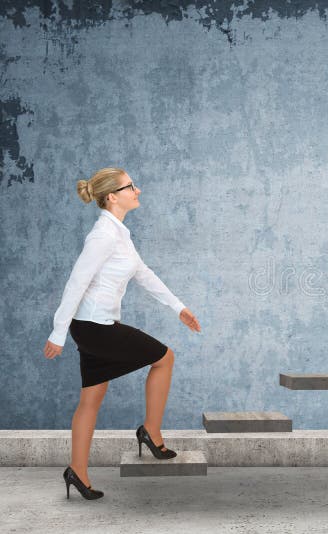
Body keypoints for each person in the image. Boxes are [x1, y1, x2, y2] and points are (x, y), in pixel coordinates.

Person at [42, 167, 201, 500]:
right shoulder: (103, 235)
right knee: (164, 358)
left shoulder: (119, 233)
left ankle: (77, 472)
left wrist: (178, 308)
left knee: (91, 399)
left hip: (91, 325)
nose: (137, 190)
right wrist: (57, 332)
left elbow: (143, 274)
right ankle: (151, 432)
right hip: (96, 327)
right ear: (112, 197)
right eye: (131, 186)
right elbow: (76, 282)